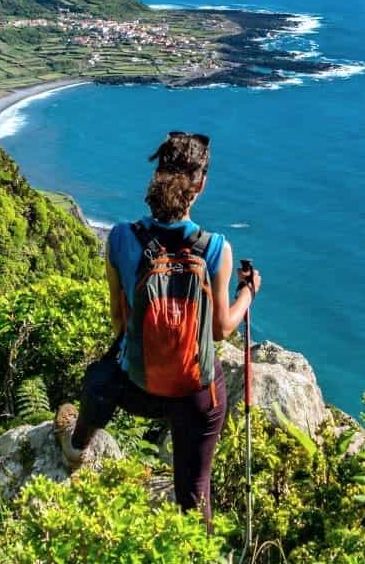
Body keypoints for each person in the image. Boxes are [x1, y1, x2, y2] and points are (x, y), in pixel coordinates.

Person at [64, 131, 259, 521]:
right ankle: (197, 561)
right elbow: (222, 330)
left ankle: (76, 445)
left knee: (99, 378)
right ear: (201, 183)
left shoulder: (121, 238)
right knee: (195, 490)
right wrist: (249, 293)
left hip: (137, 387)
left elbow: (119, 321)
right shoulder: (217, 248)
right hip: (194, 394)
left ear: (157, 174)